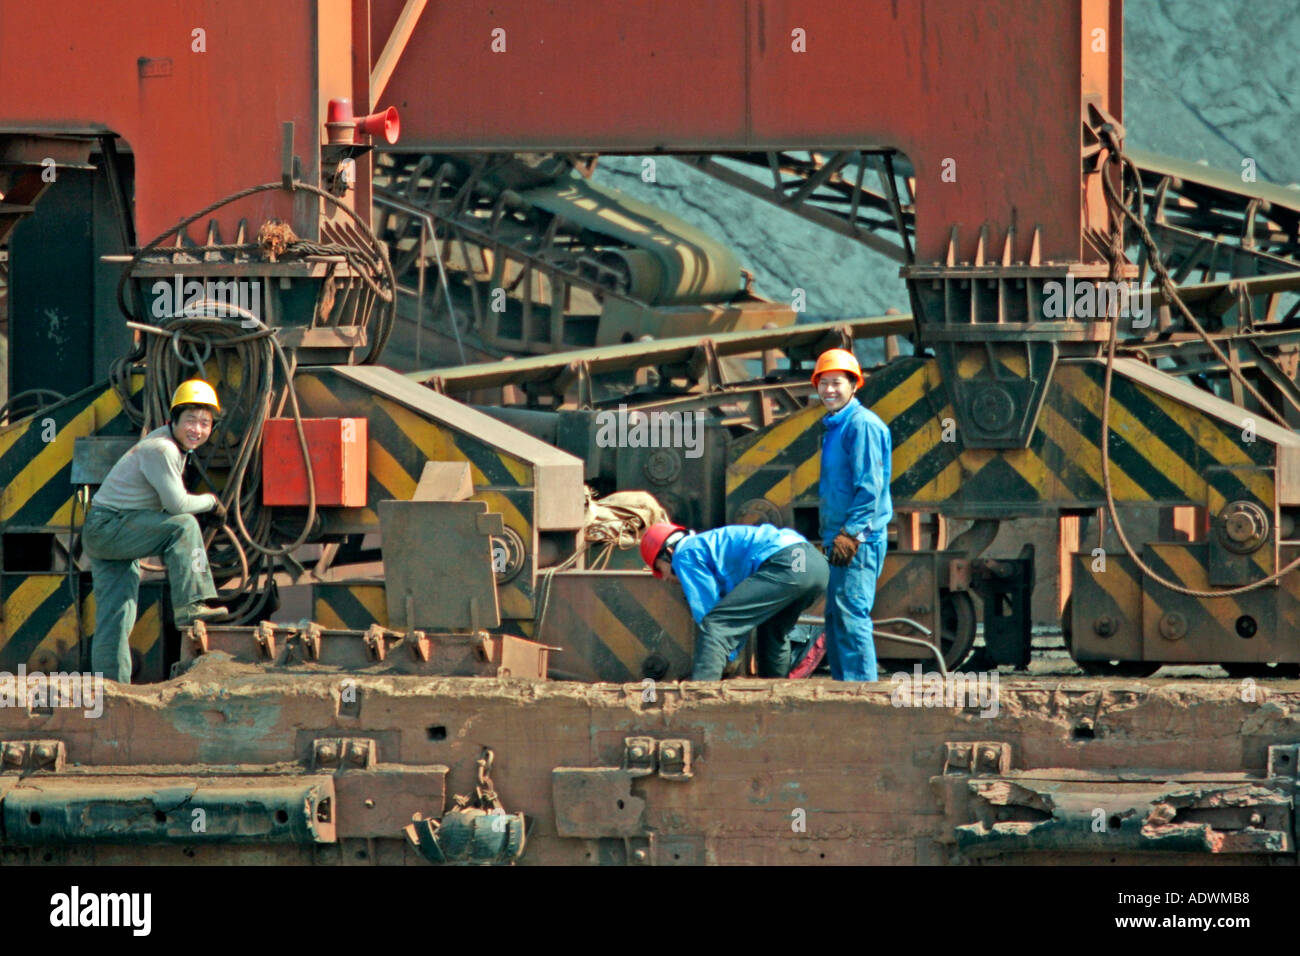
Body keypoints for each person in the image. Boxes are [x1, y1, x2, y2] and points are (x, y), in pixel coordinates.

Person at [83, 380, 228, 682]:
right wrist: (211, 503)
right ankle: (192, 606)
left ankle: (110, 692)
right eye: (190, 420)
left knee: (116, 619)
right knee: (184, 525)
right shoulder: (162, 448)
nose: (197, 430)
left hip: (107, 532)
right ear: (171, 421)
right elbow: (177, 505)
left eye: (205, 423)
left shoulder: (170, 446)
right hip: (111, 526)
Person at [641, 522, 828, 680]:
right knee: (773, 632)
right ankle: (774, 695)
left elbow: (710, 614)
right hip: (811, 562)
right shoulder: (709, 544)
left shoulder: (684, 554)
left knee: (715, 623)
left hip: (788, 563)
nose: (664, 577)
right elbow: (738, 613)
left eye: (660, 568)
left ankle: (700, 700)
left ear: (668, 552)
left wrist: (726, 658)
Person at [813, 348, 892, 682]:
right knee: (836, 619)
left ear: (854, 385)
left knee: (852, 616)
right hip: (841, 539)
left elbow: (870, 489)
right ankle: (844, 695)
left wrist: (853, 535)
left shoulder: (862, 427)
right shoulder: (836, 426)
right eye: (824, 383)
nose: (829, 390)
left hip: (858, 541)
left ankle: (864, 697)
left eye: (837, 383)